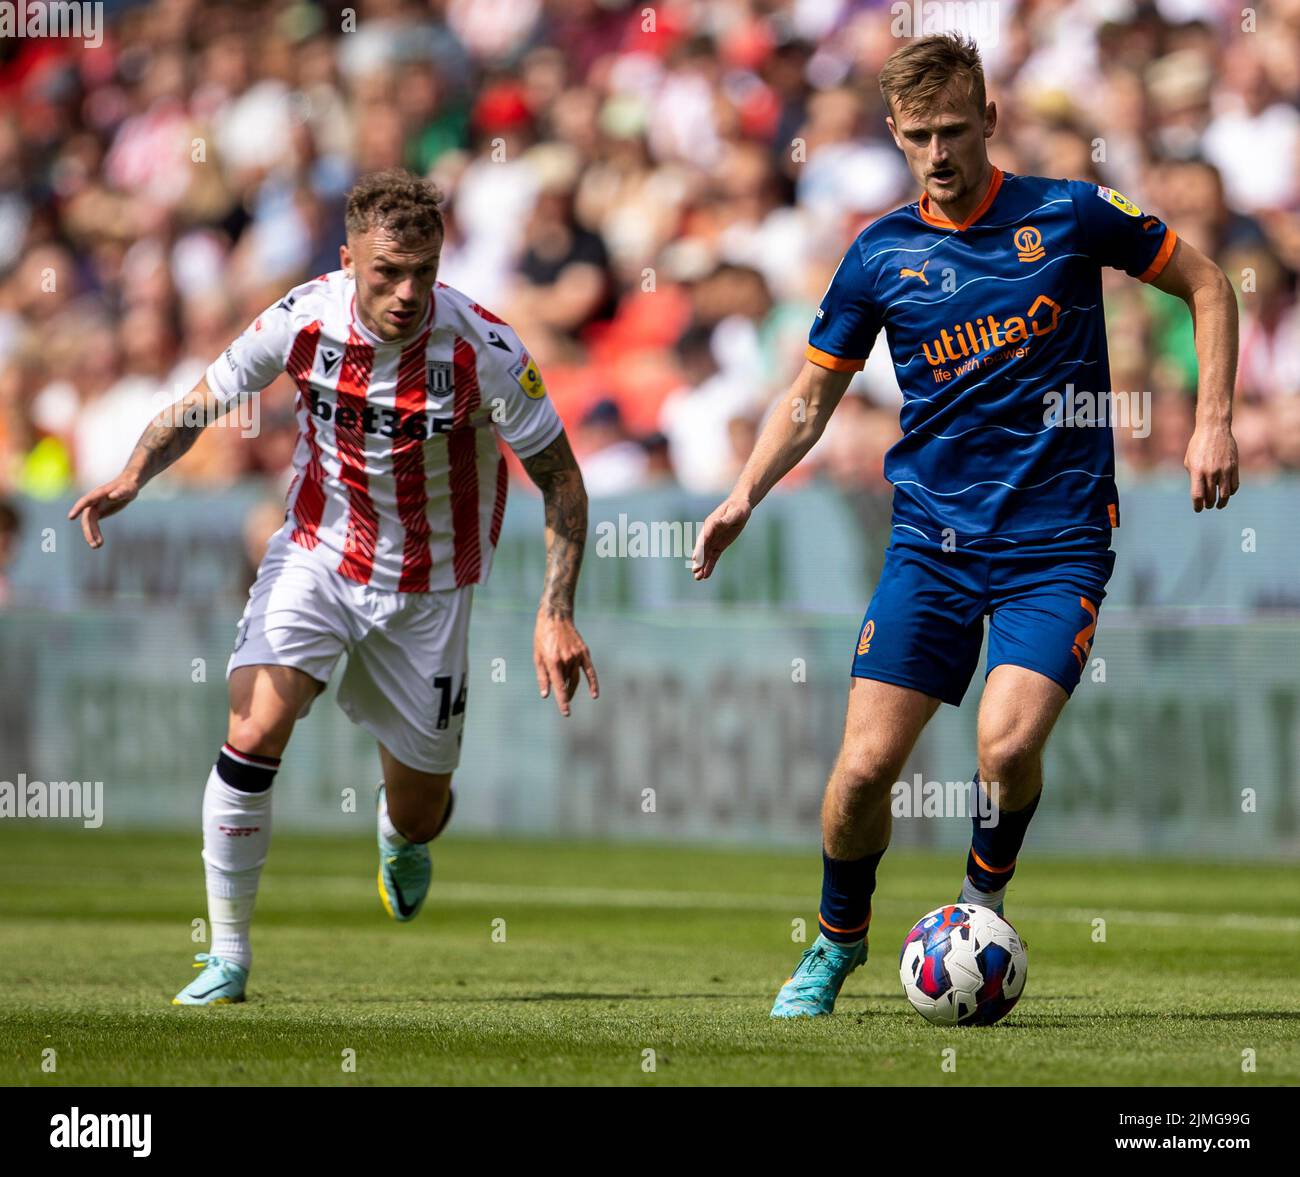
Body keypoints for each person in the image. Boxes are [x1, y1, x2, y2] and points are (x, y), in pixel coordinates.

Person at [691, 34, 1239, 1019]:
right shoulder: (879, 252)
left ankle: (978, 905)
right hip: (930, 544)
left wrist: (1210, 418)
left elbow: (1207, 282)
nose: (937, 152)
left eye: (953, 130)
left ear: (988, 120)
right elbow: (811, 399)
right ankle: (834, 943)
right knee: (860, 770)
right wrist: (742, 493)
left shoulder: (1067, 214)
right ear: (895, 137)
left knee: (1003, 748)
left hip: (1057, 540)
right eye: (917, 136)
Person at [69, 169, 599, 1005]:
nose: (407, 290)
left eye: (424, 269)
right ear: (348, 259)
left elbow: (562, 481)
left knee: (421, 807)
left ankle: (400, 833)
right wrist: (134, 473)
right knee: (254, 727)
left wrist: (555, 610)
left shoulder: (482, 349)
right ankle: (228, 957)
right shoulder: (302, 316)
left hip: (429, 591)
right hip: (317, 554)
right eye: (387, 270)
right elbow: (206, 399)